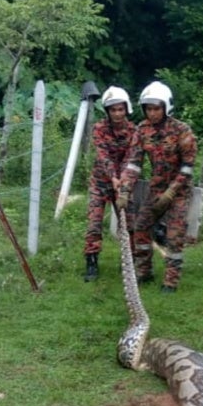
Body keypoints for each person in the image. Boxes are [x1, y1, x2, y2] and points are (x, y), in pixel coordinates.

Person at [117, 80, 197, 292]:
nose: (152, 113)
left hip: (178, 192)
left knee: (174, 235)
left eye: (157, 108)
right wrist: (125, 189)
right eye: (149, 109)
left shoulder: (182, 130)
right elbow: (134, 163)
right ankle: (144, 272)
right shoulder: (142, 130)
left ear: (166, 107)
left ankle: (171, 280)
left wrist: (172, 192)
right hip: (156, 190)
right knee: (141, 227)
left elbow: (188, 166)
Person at [82, 85, 135, 281]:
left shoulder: (133, 131)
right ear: (107, 111)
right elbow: (103, 155)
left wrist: (123, 181)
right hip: (100, 182)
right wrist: (113, 176)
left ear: (126, 109)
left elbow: (131, 158)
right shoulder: (99, 128)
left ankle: (130, 264)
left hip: (123, 184)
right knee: (94, 223)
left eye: (120, 109)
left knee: (128, 223)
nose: (117, 114)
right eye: (113, 110)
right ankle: (91, 263)